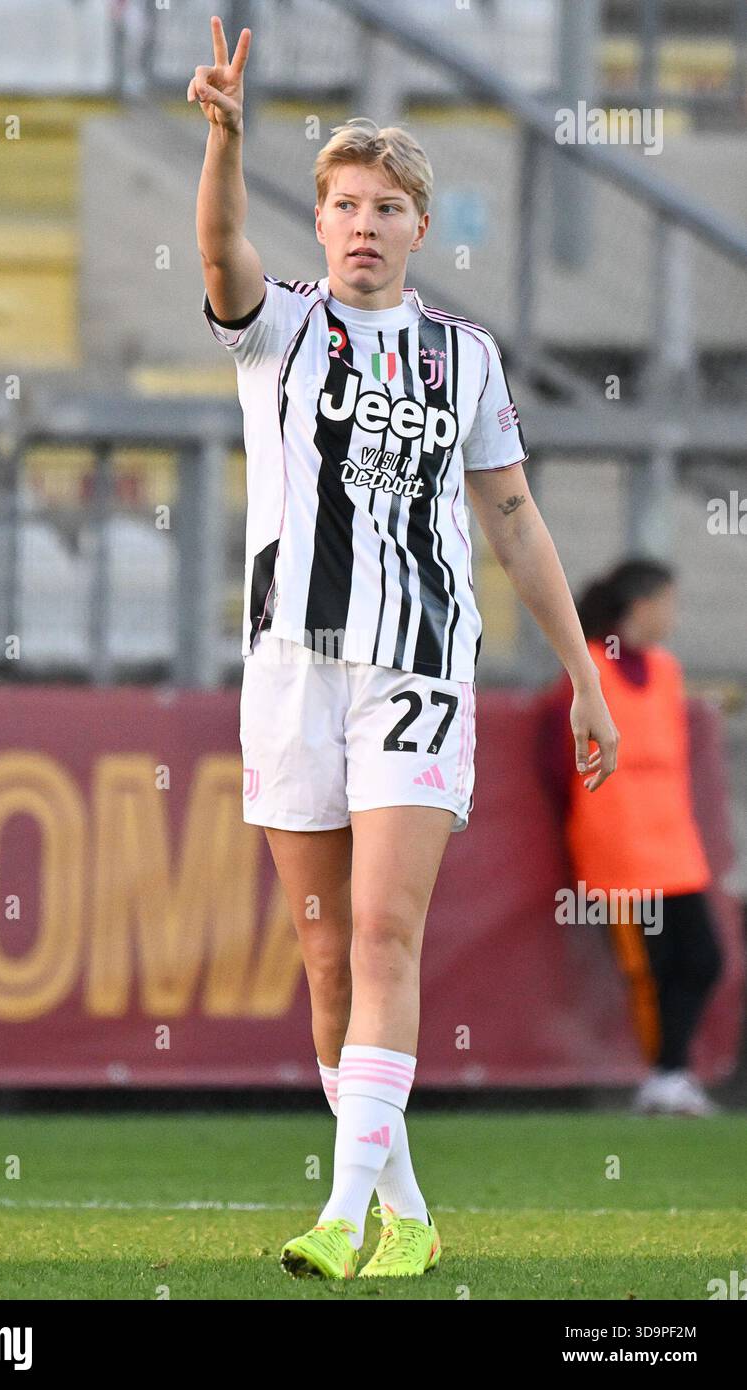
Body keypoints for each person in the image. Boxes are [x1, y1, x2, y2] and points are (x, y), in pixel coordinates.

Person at [191, 14, 619, 1278]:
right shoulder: (273, 329)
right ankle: (407, 1210)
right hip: (288, 668)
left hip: (417, 665)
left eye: (387, 205)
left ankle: (338, 1216)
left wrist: (583, 675)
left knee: (381, 931)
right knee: (325, 954)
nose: (364, 223)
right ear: (317, 223)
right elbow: (217, 245)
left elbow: (513, 520)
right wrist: (223, 143)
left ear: (421, 229)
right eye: (342, 204)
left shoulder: (464, 360)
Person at [538, 559, 723, 1116]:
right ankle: (666, 1075)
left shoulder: (666, 670)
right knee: (651, 967)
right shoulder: (588, 668)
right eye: (666, 602)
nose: (671, 615)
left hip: (673, 845)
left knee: (704, 958)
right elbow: (554, 761)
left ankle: (671, 1073)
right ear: (641, 605)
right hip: (619, 846)